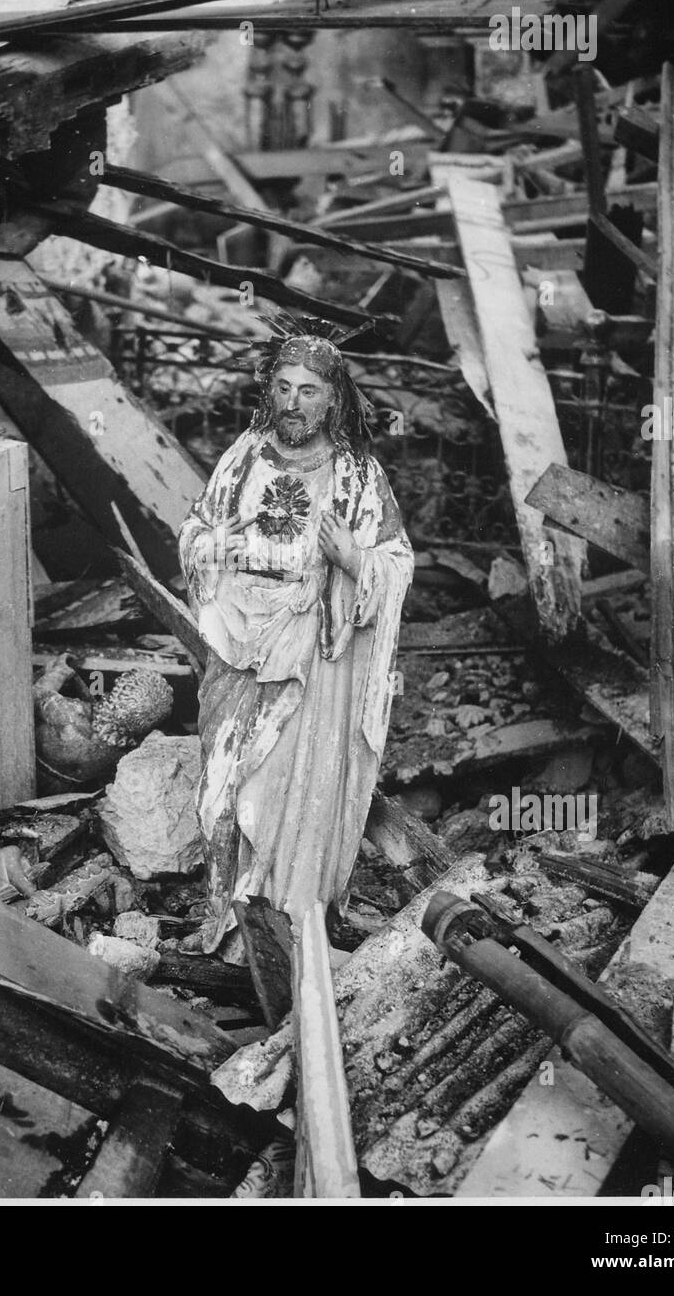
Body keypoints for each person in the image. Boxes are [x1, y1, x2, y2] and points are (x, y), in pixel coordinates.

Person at [179, 316, 414, 954]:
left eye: (308, 390)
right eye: (282, 387)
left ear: (334, 398)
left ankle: (290, 917)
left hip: (314, 653)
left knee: (291, 781)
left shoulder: (359, 476)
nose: (292, 401)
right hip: (238, 643)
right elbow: (197, 528)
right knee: (225, 778)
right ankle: (230, 919)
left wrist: (355, 562)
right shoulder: (242, 456)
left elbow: (397, 561)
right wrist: (216, 544)